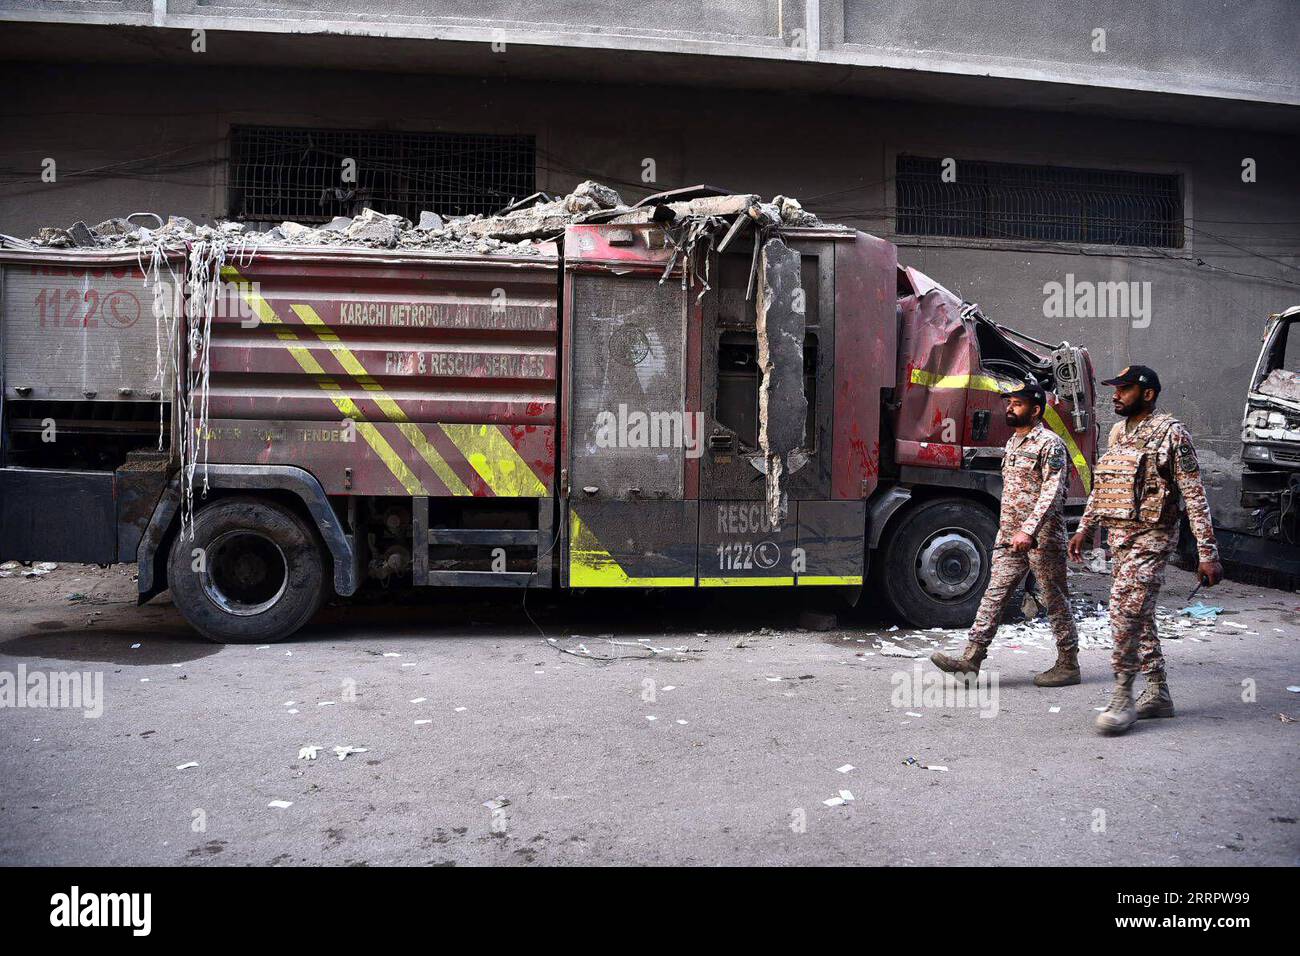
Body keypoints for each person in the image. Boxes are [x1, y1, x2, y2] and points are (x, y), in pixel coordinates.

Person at [1068, 365, 1223, 735]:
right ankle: (1158, 692)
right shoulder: (1120, 433)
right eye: (1115, 389)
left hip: (1153, 538)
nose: (1115, 395)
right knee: (1140, 613)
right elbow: (1105, 484)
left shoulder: (1172, 434)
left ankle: (1123, 694)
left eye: (1124, 389)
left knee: (1124, 610)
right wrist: (1085, 527)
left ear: (1148, 394)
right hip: (1120, 537)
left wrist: (1208, 553)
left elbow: (1194, 496)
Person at [932, 376, 1080, 685]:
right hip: (1011, 538)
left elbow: (1051, 494)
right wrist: (1012, 532)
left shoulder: (1050, 445)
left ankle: (1068, 664)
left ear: (1036, 410)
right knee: (993, 596)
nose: (1010, 409)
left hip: (1042, 539)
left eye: (1018, 404)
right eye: (1009, 404)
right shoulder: (1013, 442)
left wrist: (1028, 530)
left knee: (1055, 601)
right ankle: (971, 659)